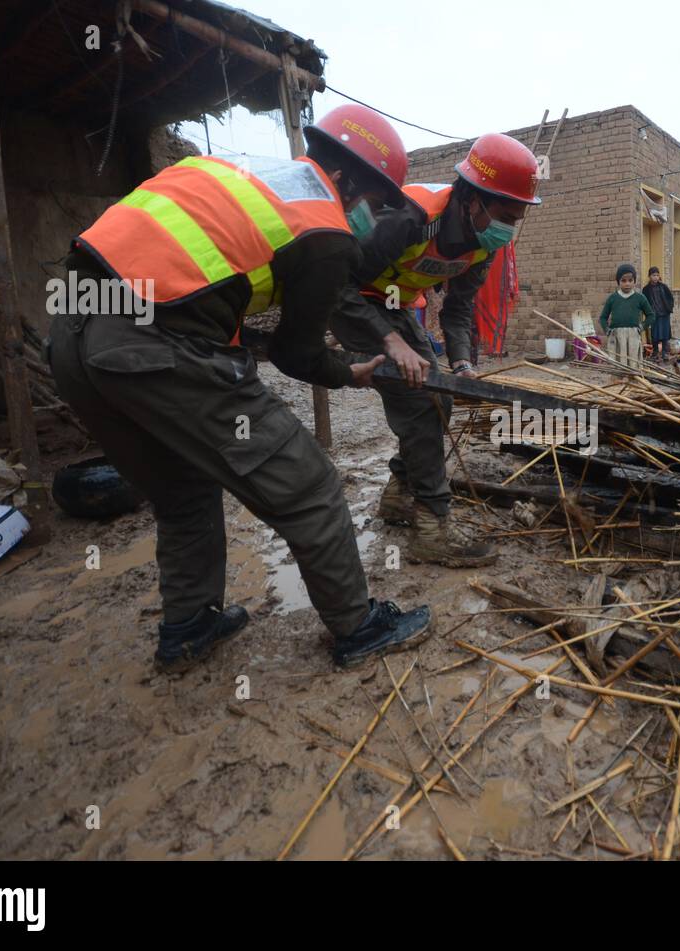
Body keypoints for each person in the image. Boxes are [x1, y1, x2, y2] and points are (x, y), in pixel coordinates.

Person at [48, 104, 431, 673]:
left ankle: (189, 627)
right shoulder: (324, 226)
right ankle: (359, 628)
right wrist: (347, 372)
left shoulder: (239, 175)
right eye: (372, 202)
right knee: (309, 485)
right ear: (346, 178)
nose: (369, 216)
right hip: (153, 346)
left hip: (71, 336)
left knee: (182, 490)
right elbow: (292, 353)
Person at [334, 132, 541, 567]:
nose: (509, 227)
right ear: (472, 199)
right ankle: (432, 526)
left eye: (517, 218)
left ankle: (399, 493)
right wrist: (390, 341)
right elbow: (338, 283)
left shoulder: (485, 244)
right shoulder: (409, 217)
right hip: (354, 303)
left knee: (439, 395)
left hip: (399, 306)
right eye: (504, 215)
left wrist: (462, 361)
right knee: (420, 400)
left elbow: (459, 309)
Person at [601, 263, 654, 368]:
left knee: (633, 364)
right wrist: (607, 330)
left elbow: (651, 315)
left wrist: (642, 327)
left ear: (634, 281)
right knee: (617, 364)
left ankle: (633, 381)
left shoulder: (640, 298)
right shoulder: (613, 298)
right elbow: (603, 318)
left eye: (630, 280)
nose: (627, 284)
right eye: (623, 281)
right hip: (616, 337)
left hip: (633, 335)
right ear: (618, 281)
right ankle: (618, 381)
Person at [642, 266, 675, 361]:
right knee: (655, 334)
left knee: (665, 333)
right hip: (654, 315)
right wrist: (648, 313)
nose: (655, 277)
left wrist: (669, 308)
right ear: (649, 276)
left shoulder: (663, 287)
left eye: (657, 275)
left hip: (664, 314)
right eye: (653, 275)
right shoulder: (646, 289)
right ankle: (655, 352)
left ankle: (664, 353)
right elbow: (644, 303)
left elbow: (670, 298)